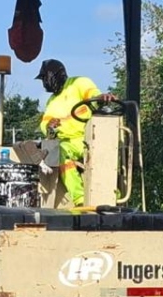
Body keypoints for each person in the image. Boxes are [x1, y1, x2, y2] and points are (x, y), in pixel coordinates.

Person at [36, 58, 117, 207]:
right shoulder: (51, 101)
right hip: (65, 143)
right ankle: (80, 200)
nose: (44, 83)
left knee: (61, 151)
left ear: (56, 75)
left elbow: (94, 97)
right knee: (57, 153)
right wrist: (48, 126)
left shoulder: (79, 83)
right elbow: (44, 123)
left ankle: (91, 197)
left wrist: (101, 98)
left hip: (87, 139)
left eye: (45, 78)